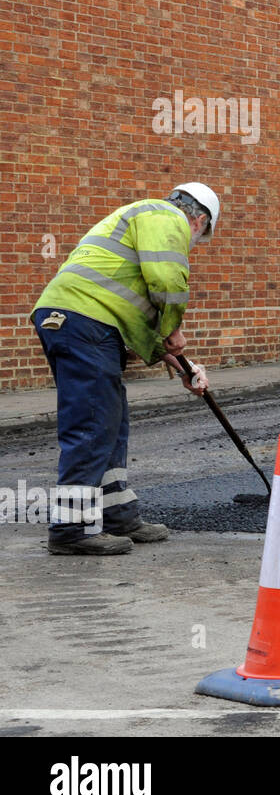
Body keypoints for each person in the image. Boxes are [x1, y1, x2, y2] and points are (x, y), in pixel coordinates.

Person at [31, 183, 219, 555]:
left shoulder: (135, 223)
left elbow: (134, 318)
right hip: (85, 322)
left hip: (82, 321)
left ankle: (117, 514)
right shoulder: (164, 216)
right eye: (201, 236)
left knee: (109, 420)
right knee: (92, 422)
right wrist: (174, 329)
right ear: (198, 220)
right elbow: (166, 280)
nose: (193, 243)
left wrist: (182, 365)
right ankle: (70, 529)